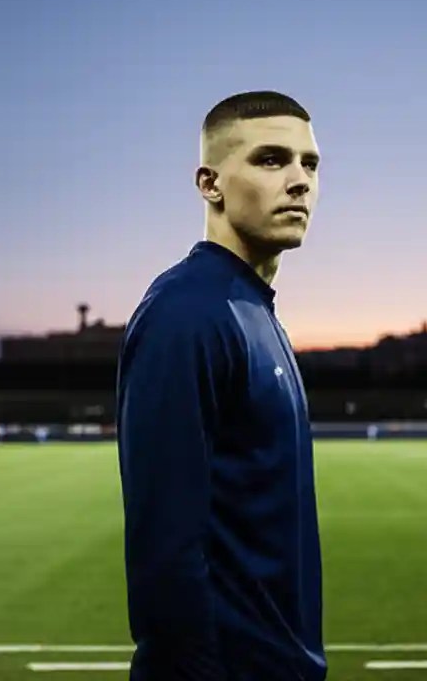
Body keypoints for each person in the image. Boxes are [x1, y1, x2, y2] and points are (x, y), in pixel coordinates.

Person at [115, 90, 326, 680]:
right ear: (210, 183)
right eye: (270, 160)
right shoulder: (189, 313)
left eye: (309, 164)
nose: (299, 181)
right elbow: (167, 548)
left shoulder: (253, 309)